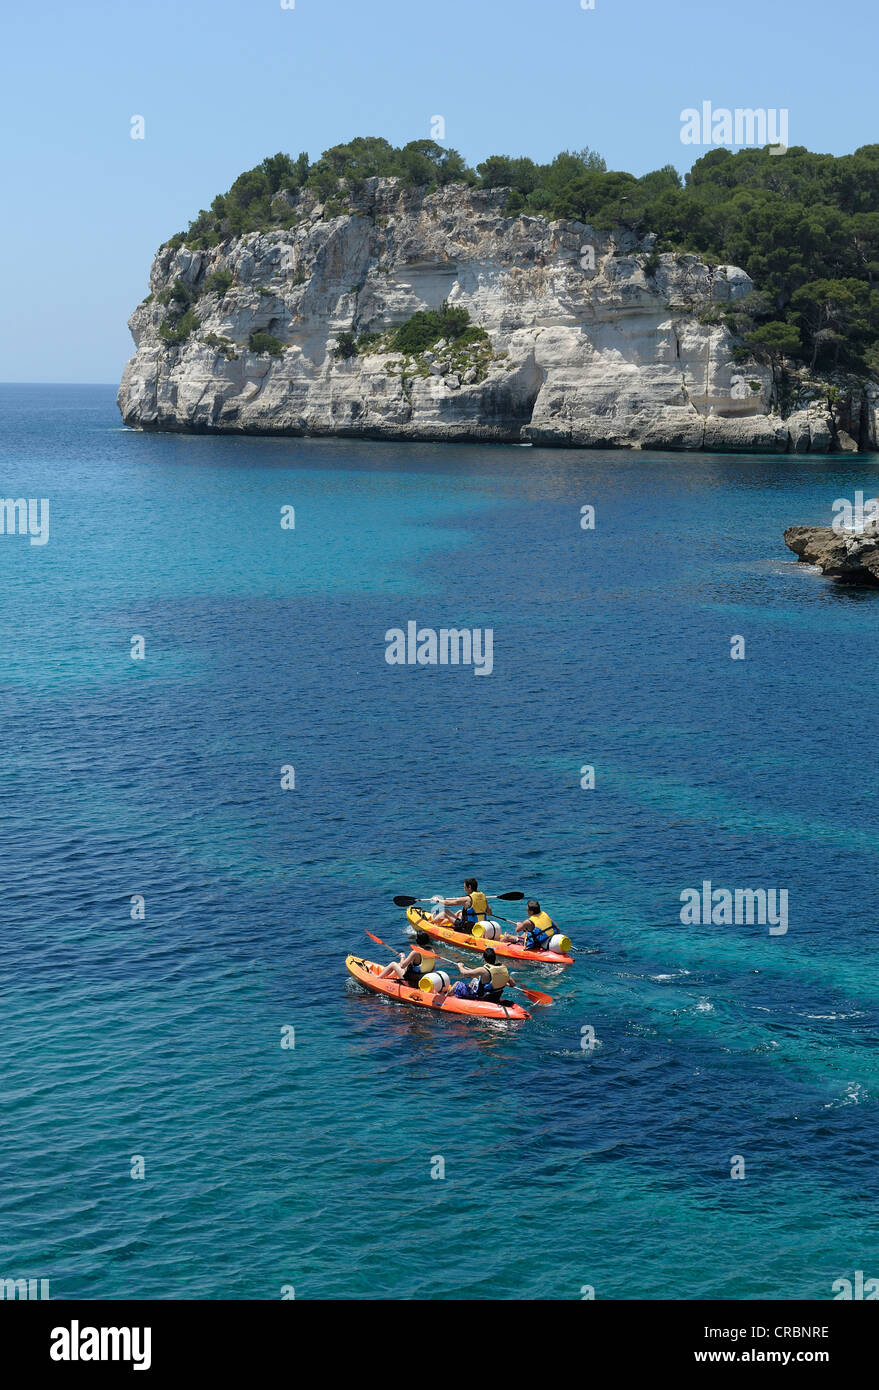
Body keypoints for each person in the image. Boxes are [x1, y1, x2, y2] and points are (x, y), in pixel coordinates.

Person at [445, 948, 515, 1003]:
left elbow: (465, 973)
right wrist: (501, 982)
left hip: (481, 997)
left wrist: (460, 966)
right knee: (474, 980)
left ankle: (446, 997)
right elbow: (512, 984)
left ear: (484, 959)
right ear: (494, 958)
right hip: (494, 996)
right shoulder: (502, 968)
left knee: (457, 983)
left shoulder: (483, 970)